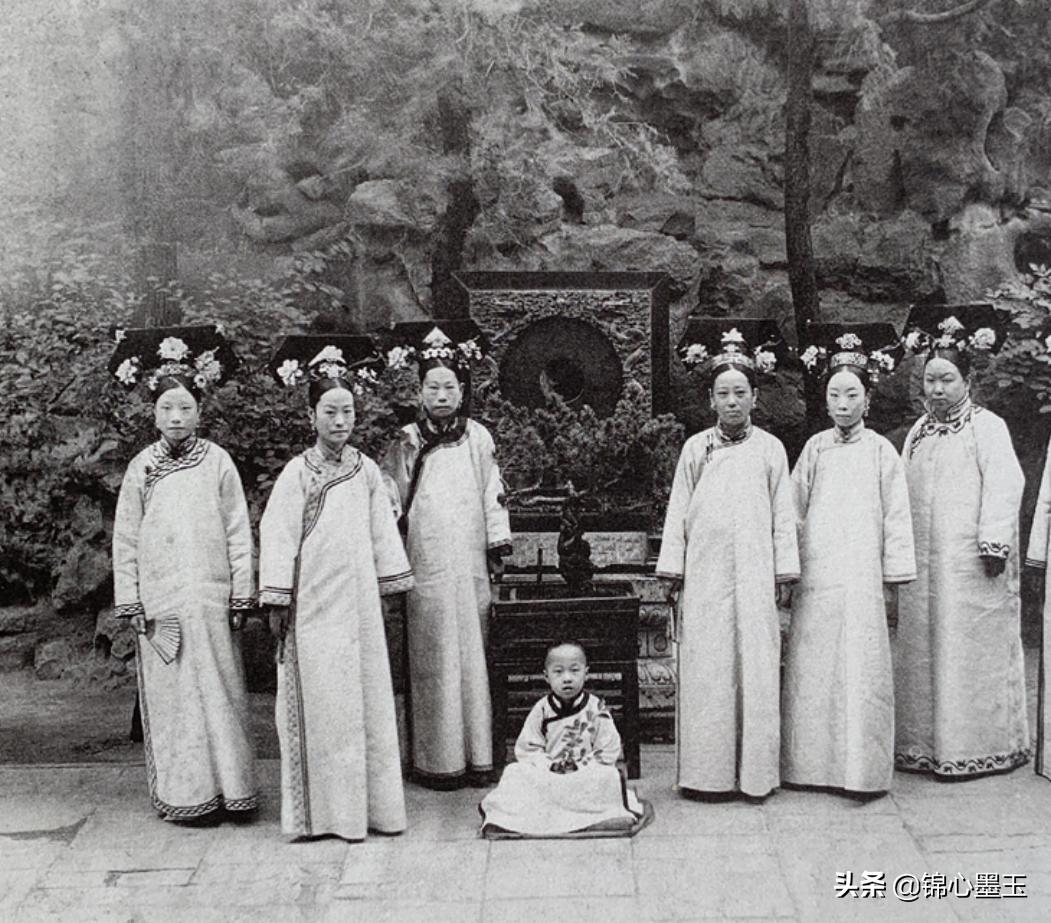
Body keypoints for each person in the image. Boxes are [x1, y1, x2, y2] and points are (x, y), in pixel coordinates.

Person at [259, 337, 414, 840]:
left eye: (347, 410)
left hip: (360, 608)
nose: (340, 421)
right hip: (313, 609)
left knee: (365, 704)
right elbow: (277, 536)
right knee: (323, 706)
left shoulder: (366, 470)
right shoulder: (295, 475)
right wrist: (277, 599)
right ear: (312, 416)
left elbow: (381, 536)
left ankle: (372, 812)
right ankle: (321, 816)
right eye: (330, 411)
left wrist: (392, 588)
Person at [110, 326, 257, 824]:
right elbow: (126, 539)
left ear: (200, 411)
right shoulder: (140, 469)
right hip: (162, 604)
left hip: (213, 599)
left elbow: (238, 530)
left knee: (222, 692)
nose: (176, 418)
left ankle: (233, 791)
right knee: (176, 699)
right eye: (167, 408)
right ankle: (186, 794)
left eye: (186, 408)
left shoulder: (217, 463)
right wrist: (131, 601)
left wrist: (242, 594)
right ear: (152, 413)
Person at [656, 318, 799, 799]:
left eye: (741, 392)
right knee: (709, 665)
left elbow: (784, 514)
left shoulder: (772, 450)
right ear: (710, 400)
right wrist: (673, 570)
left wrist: (784, 571)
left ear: (755, 398)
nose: (732, 402)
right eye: (723, 394)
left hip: (756, 573)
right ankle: (706, 774)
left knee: (756, 664)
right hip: (707, 574)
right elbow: (679, 510)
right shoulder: (697, 449)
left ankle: (756, 774)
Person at [894, 305, 1030, 779]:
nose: (937, 389)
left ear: (967, 380)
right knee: (923, 653)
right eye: (931, 379)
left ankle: (981, 745)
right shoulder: (919, 432)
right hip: (924, 570)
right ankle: (923, 745)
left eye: (947, 380)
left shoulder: (986, 428)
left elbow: (1005, 484)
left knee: (966, 650)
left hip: (972, 567)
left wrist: (993, 543)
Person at [782, 324, 916, 798]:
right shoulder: (814, 449)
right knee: (813, 665)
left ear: (867, 399)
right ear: (825, 400)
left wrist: (892, 576)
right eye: (835, 394)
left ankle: (861, 770)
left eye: (851, 394)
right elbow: (793, 511)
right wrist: (789, 568)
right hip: (818, 576)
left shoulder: (882, 452)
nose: (842, 404)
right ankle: (807, 766)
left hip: (861, 576)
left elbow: (897, 516)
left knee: (861, 668)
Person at [381, 322, 512, 789]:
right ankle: (435, 761)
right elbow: (390, 501)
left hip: (470, 566)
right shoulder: (406, 440)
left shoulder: (478, 437)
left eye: (449, 386)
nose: (441, 395)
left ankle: (479, 756)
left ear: (463, 390)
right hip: (426, 568)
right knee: (432, 657)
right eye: (432, 386)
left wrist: (497, 545)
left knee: (473, 656)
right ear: (419, 391)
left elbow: (492, 495)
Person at [479, 641, 644, 836]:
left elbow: (608, 749)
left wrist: (581, 766)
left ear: (586, 673)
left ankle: (606, 816)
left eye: (575, 671)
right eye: (558, 672)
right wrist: (549, 766)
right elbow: (528, 749)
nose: (567, 678)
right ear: (546, 676)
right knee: (514, 772)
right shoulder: (541, 709)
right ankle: (587, 817)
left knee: (608, 776)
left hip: (584, 776)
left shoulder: (596, 708)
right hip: (549, 776)